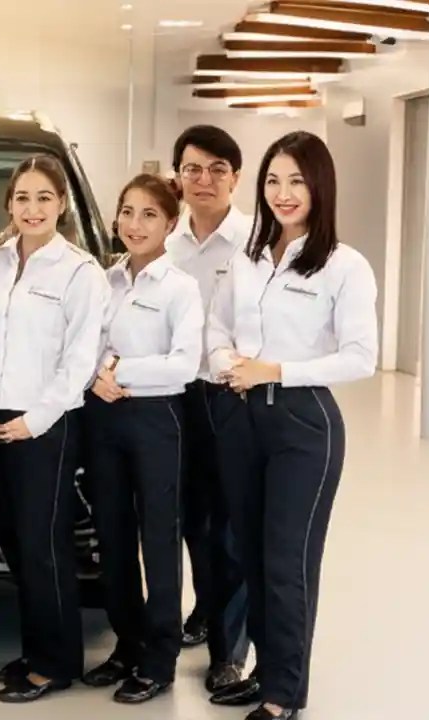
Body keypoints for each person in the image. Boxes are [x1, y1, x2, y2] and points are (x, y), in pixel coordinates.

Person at [206, 131, 377, 720]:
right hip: (241, 416)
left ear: (319, 186)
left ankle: (284, 695)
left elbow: (361, 357)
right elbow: (217, 325)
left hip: (303, 425)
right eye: (273, 181)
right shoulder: (248, 257)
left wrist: (276, 370)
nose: (283, 193)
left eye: (296, 181)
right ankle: (265, 673)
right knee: (251, 556)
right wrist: (226, 361)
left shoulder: (343, 265)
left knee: (287, 562)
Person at [0, 154, 108, 704]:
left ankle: (56, 664)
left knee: (45, 545)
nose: (32, 208)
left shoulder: (80, 272)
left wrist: (34, 420)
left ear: (61, 204)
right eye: (22, 197)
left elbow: (80, 361)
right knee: (16, 544)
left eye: (44, 197)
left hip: (45, 425)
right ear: (9, 204)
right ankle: (37, 649)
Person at [79, 174, 203, 704]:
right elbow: (82, 342)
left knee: (158, 539)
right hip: (102, 415)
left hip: (156, 419)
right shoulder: (102, 281)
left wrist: (118, 370)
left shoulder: (180, 288)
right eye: (127, 212)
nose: (135, 224)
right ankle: (127, 645)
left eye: (149, 214)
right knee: (112, 536)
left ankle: (159, 659)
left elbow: (184, 364)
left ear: (170, 223)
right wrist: (94, 376)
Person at [166, 124, 255, 693]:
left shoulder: (255, 242)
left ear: (235, 179)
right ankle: (206, 606)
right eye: (193, 168)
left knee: (229, 525)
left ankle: (229, 652)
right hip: (174, 397)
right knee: (191, 519)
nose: (204, 179)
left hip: (230, 395)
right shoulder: (164, 241)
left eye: (218, 169)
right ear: (177, 176)